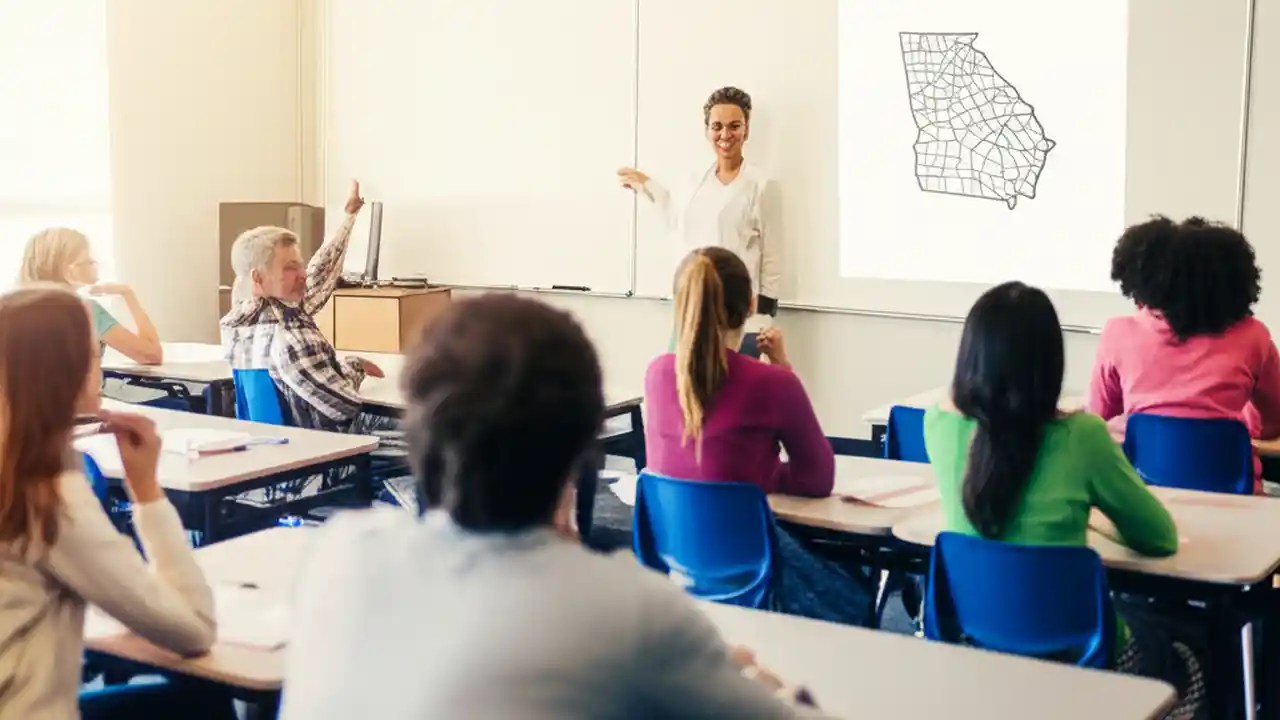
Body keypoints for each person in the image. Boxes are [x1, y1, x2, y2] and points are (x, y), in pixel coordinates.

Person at [280, 294, 828, 719]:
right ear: (586, 449)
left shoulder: (341, 553)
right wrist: (769, 688)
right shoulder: (631, 610)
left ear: (420, 431)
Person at [924, 281, 1202, 715]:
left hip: (979, 652)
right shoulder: (1083, 437)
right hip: (1081, 661)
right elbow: (1159, 537)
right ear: (1050, 363)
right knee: (1192, 646)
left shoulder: (938, 426)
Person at [0, 286, 229, 719]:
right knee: (204, 698)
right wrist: (146, 489)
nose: (100, 368)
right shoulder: (49, 495)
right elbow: (194, 630)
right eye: (94, 355)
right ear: (64, 375)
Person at [642, 246, 871, 627]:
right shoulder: (772, 383)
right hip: (759, 578)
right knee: (857, 599)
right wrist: (763, 475)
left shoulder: (657, 374)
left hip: (679, 572)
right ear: (750, 304)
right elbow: (818, 480)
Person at [1088, 216, 1280, 488]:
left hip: (1145, 499)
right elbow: (1274, 424)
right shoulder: (1254, 337)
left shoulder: (1119, 333)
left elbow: (1097, 419)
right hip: (1236, 501)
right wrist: (1236, 422)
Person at [619, 86, 782, 357]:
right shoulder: (694, 182)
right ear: (707, 130)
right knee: (682, 388)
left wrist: (764, 311)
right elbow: (674, 216)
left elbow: (774, 252)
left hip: (737, 316)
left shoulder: (761, 185)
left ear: (746, 130)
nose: (725, 135)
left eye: (734, 126)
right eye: (717, 126)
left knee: (730, 394)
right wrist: (645, 185)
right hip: (691, 307)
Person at [221, 180, 387, 433]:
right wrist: (354, 367)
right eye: (290, 267)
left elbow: (319, 274)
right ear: (258, 278)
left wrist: (349, 217)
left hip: (269, 449)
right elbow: (344, 406)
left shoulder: (240, 322)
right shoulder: (290, 337)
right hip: (322, 455)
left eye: (301, 264)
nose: (303, 274)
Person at [20, 228, 163, 364]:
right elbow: (152, 354)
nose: (94, 266)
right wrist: (127, 293)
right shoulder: (86, 311)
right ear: (68, 270)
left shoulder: (14, 311)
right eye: (88, 261)